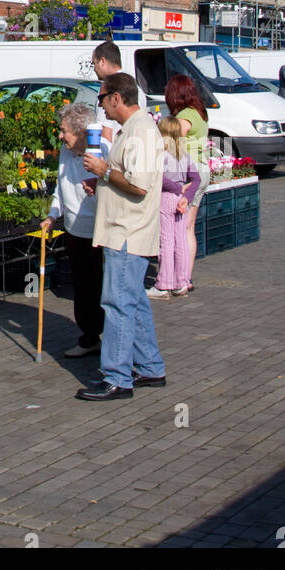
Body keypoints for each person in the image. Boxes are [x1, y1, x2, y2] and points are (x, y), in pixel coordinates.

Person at [76, 71, 166, 401]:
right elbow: (126, 177)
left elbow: (138, 185)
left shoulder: (141, 132)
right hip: (125, 229)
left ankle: (117, 377)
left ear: (117, 98)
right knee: (134, 302)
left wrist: (103, 172)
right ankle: (150, 367)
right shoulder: (135, 129)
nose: (100, 106)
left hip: (127, 231)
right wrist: (100, 181)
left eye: (101, 99)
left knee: (117, 304)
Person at [40, 103, 109, 357]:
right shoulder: (65, 152)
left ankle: (111, 339)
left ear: (81, 132)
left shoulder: (103, 150)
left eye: (64, 131)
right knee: (83, 287)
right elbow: (61, 186)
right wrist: (52, 215)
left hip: (99, 230)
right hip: (73, 229)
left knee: (103, 287)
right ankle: (90, 337)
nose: (60, 135)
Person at [147, 116, 201, 300]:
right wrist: (186, 196)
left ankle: (164, 284)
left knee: (166, 242)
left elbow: (158, 178)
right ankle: (181, 282)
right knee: (181, 242)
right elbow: (196, 179)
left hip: (166, 198)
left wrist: (177, 189)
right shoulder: (183, 154)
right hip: (181, 201)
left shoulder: (160, 153)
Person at [164, 74, 210, 290]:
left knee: (181, 228)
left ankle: (181, 278)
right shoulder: (200, 112)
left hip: (189, 172)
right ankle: (186, 276)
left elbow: (175, 139)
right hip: (202, 168)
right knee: (189, 227)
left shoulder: (184, 116)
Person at [91, 39, 145, 143]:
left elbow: (105, 132)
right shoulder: (135, 87)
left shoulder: (107, 90)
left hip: (115, 151)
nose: (94, 68)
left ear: (102, 61)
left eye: (94, 63)